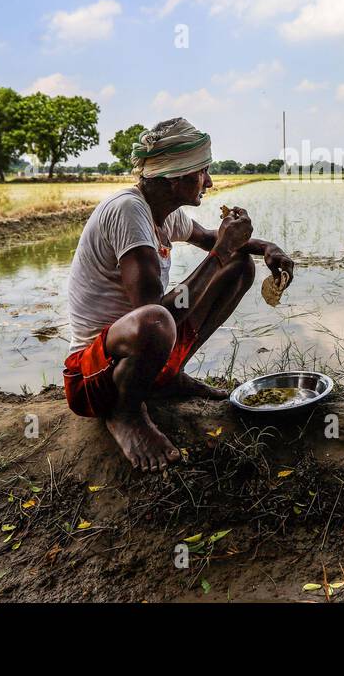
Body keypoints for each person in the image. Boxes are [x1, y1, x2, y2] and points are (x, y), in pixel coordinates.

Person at [64, 118, 295, 471]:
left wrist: (267, 248)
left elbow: (214, 242)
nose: (210, 182)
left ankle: (167, 376)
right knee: (157, 320)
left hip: (138, 357)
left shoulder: (163, 214)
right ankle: (125, 415)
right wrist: (220, 252)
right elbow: (152, 315)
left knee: (239, 268)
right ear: (175, 176)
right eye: (202, 172)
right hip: (96, 377)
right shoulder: (129, 211)